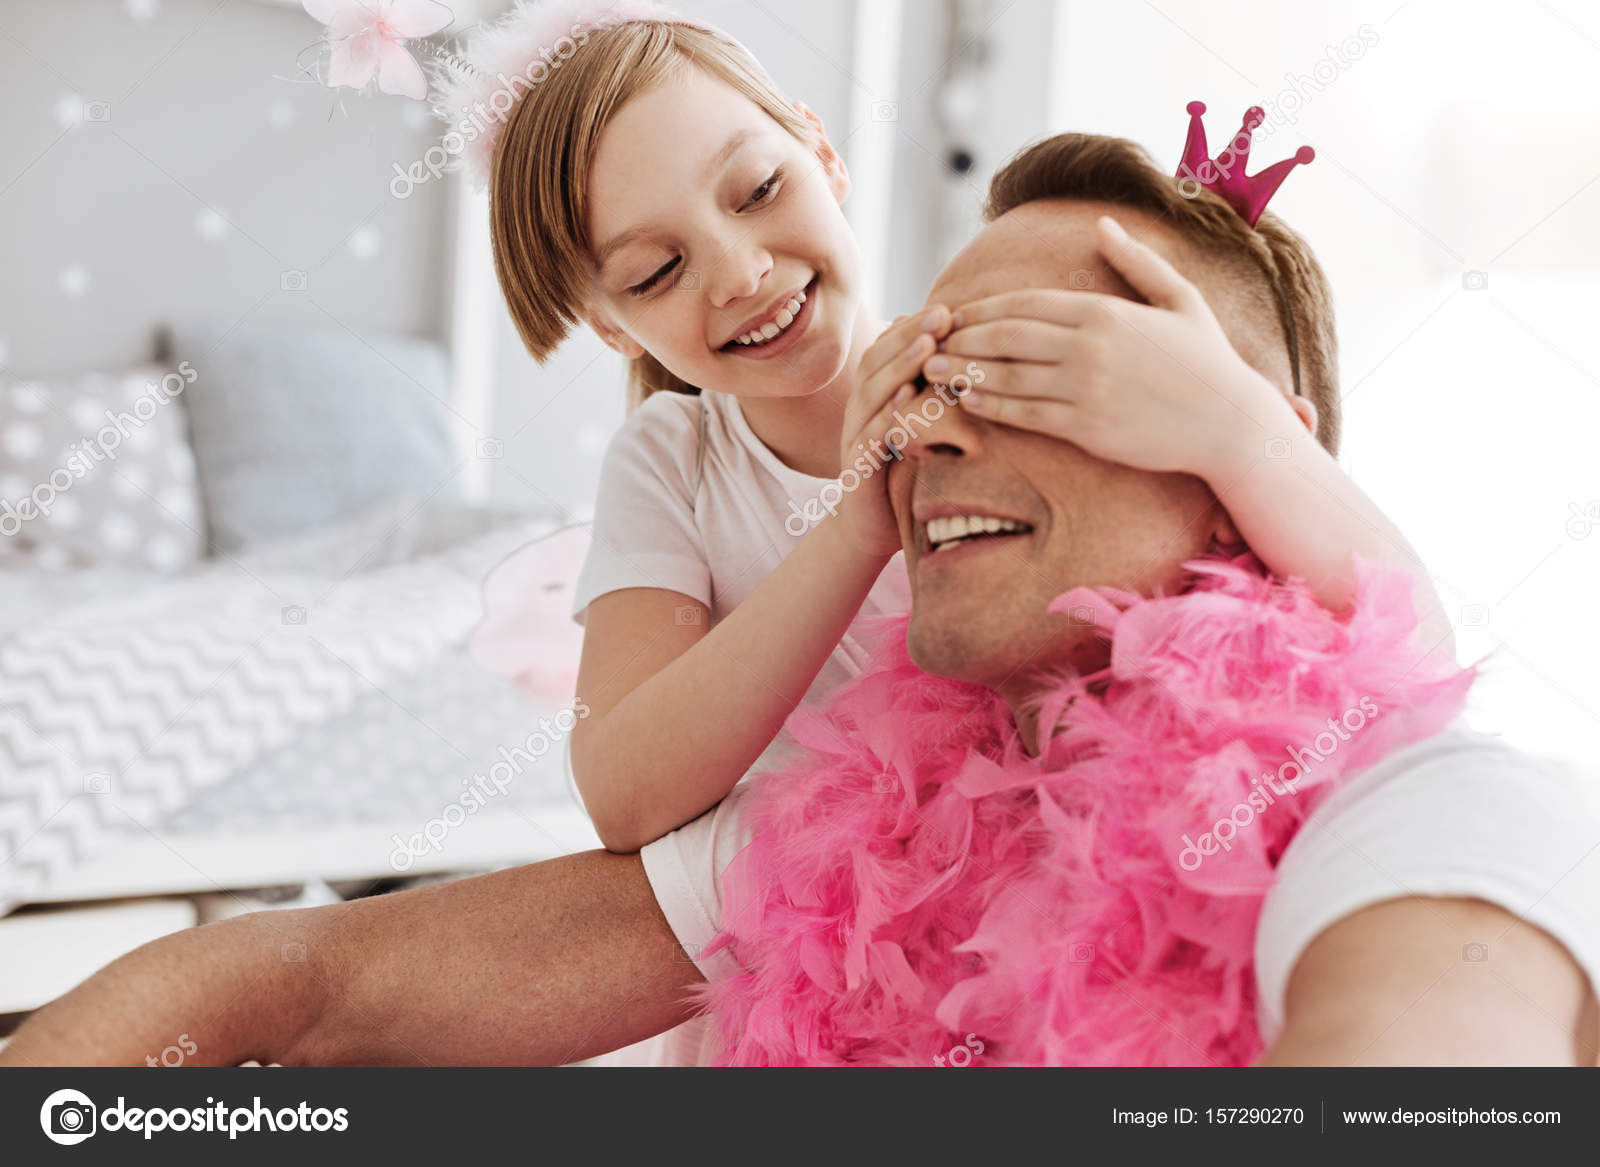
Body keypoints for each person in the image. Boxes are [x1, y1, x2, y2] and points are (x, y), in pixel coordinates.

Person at [5, 125, 1595, 1067]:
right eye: (928, 368)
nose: (934, 427)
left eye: (1043, 369)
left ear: (1257, 458)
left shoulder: (1415, 808)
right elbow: (298, 985)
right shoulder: (857, 835)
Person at [467, 3, 1448, 1060]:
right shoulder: (674, 460)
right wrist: (858, 525)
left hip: (1050, 922)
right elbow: (623, 795)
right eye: (656, 273)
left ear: (822, 150)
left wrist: (1234, 424)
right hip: (822, 980)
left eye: (757, 190)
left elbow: (1402, 646)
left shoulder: (985, 364)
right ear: (610, 324)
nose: (740, 271)